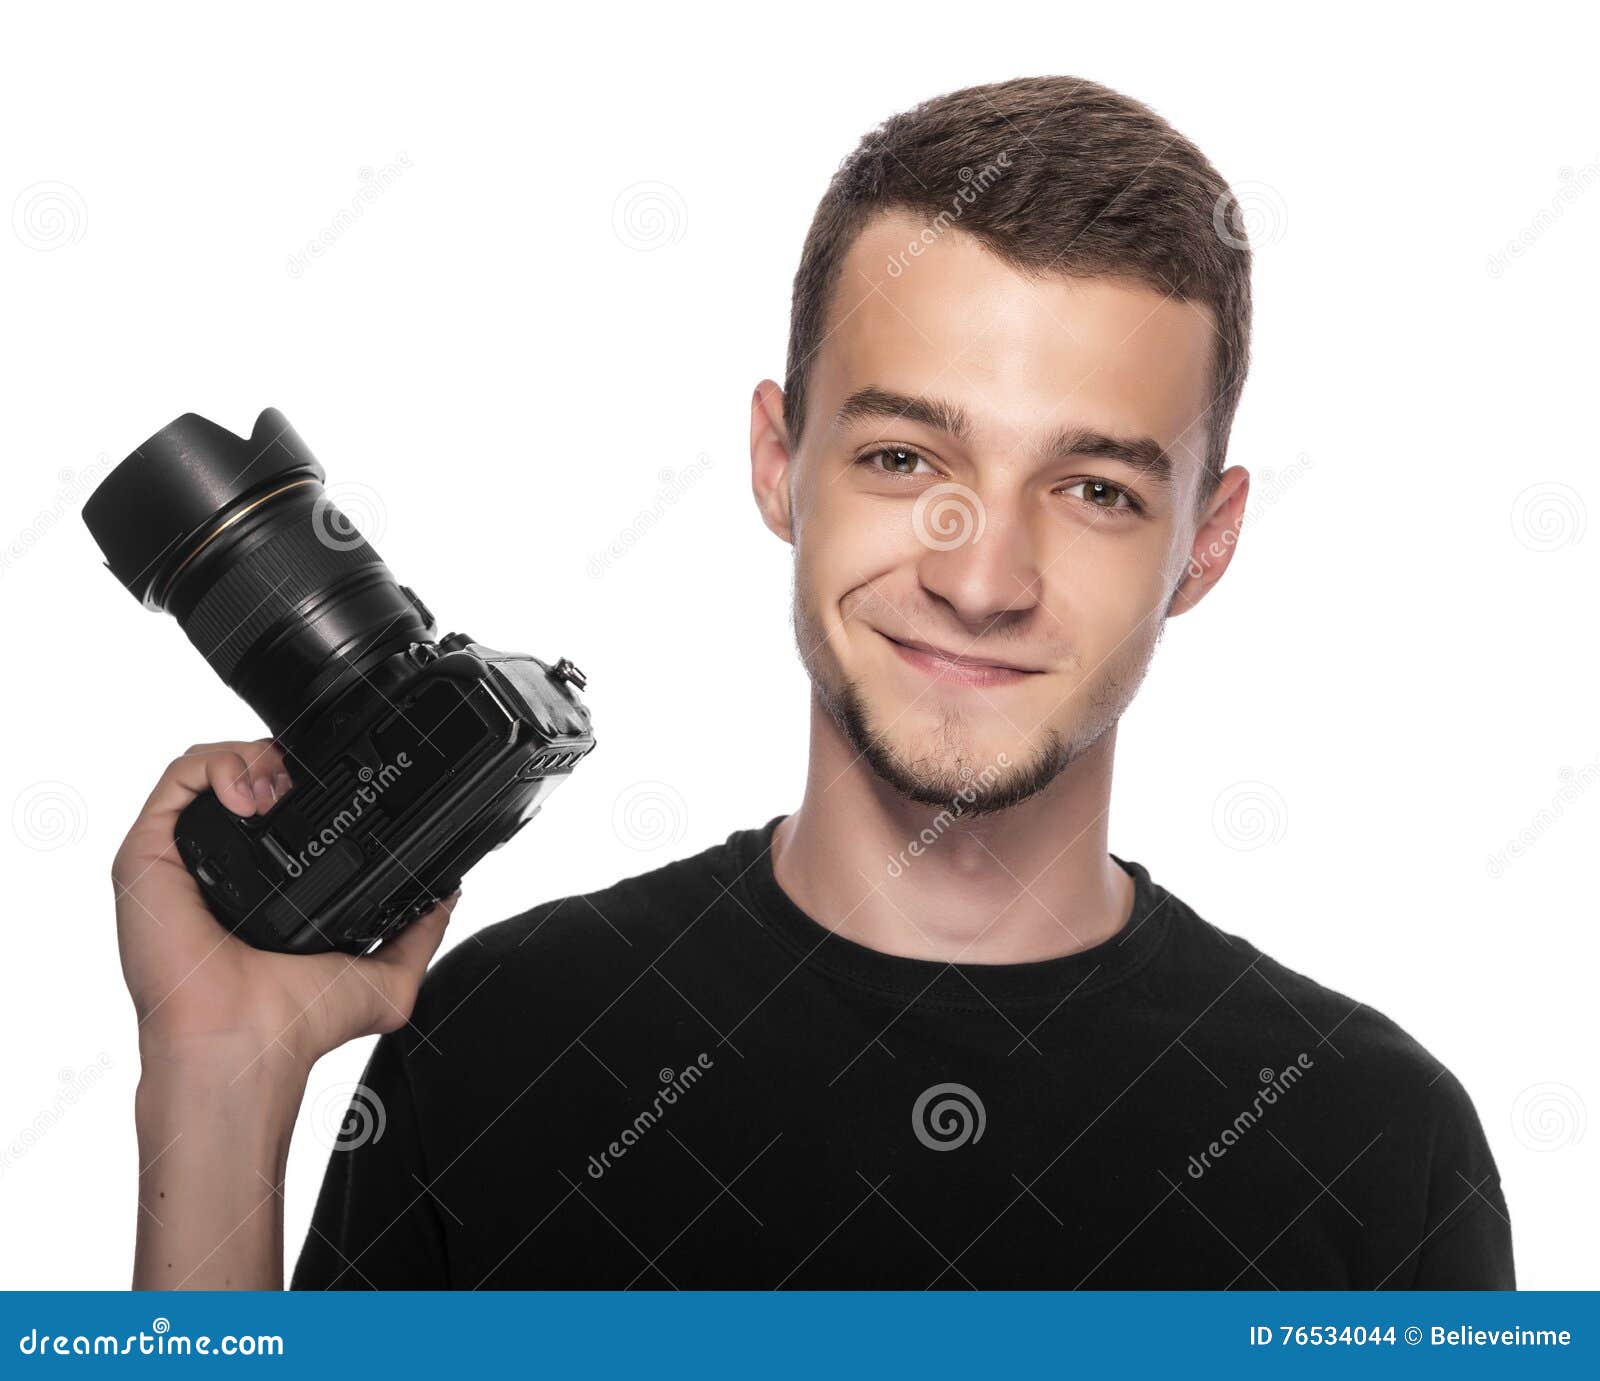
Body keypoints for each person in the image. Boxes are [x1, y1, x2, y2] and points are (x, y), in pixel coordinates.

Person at [116, 74, 1513, 1289]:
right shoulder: (504, 1049)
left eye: (1093, 487)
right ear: (779, 463)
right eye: (906, 458)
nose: (984, 577)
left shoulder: (1378, 1146)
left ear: (1204, 544)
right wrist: (220, 1082)